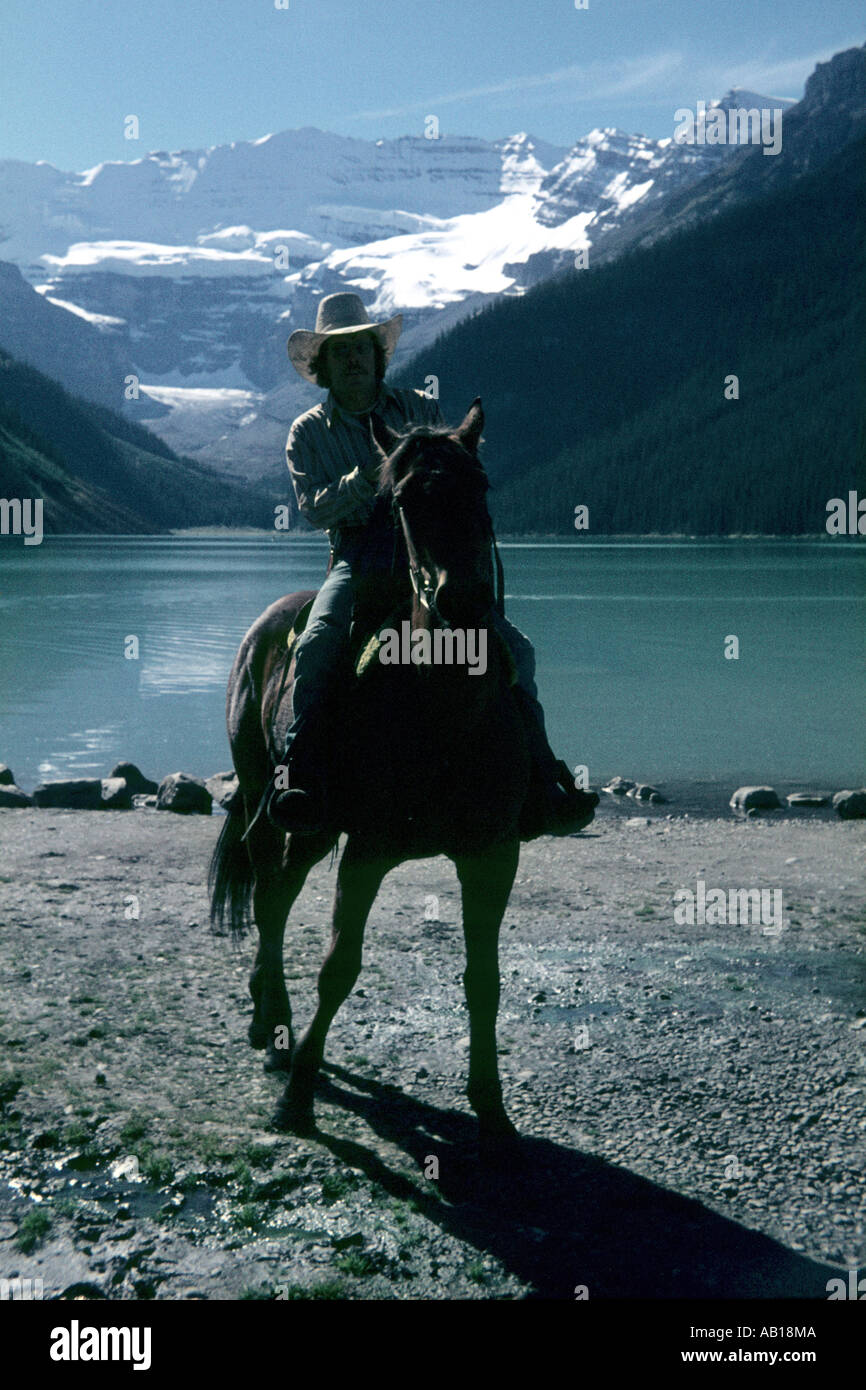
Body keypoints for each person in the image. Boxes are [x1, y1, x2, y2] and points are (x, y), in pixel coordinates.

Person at [266, 292, 593, 837]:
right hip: (357, 552)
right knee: (320, 636)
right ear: (322, 366)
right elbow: (311, 507)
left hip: (429, 548)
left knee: (516, 648)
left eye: (361, 349)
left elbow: (453, 472)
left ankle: (542, 773)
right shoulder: (307, 432)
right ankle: (296, 770)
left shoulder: (418, 406)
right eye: (339, 351)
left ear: (377, 356)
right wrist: (372, 477)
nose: (352, 360)